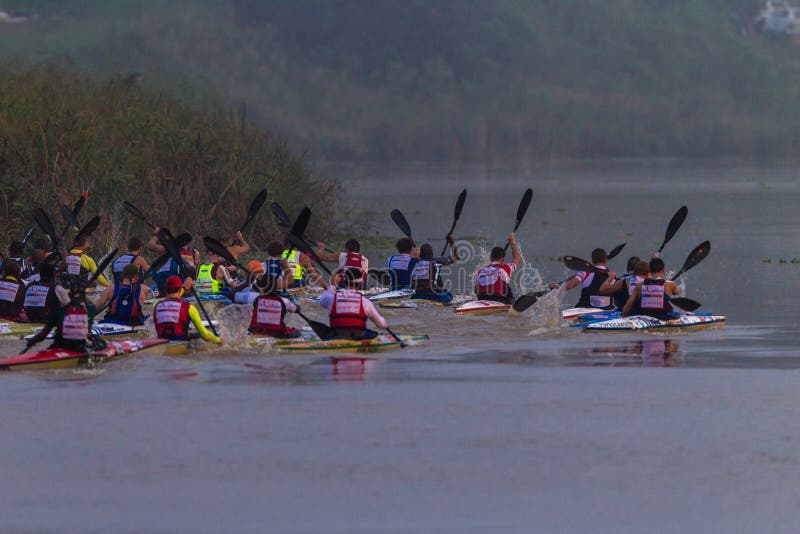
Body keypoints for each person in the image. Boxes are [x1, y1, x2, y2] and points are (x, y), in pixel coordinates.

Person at [24, 284, 103, 353]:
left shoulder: (57, 310)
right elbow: (88, 331)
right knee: (101, 343)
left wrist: (31, 342)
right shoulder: (90, 309)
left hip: (59, 346)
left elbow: (43, 335)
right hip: (81, 348)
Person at [318, 267, 389, 339]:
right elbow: (382, 325)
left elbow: (321, 301)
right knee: (373, 333)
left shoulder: (332, 298)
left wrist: (333, 285)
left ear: (343, 282)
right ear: (359, 284)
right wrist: (386, 325)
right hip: (358, 337)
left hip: (337, 336)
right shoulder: (365, 302)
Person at [152, 275, 221, 344]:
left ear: (165, 290)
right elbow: (205, 335)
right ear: (179, 290)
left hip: (161, 344)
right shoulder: (189, 308)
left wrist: (184, 288)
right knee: (197, 335)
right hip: (180, 344)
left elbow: (170, 299)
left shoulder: (156, 306)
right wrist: (220, 341)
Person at [474, 233, 522, 303]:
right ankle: (511, 302)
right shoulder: (505, 268)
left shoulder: (481, 271)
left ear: (491, 258)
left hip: (482, 299)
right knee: (506, 287)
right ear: (503, 259)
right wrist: (512, 242)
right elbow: (517, 258)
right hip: (499, 300)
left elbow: (476, 290)